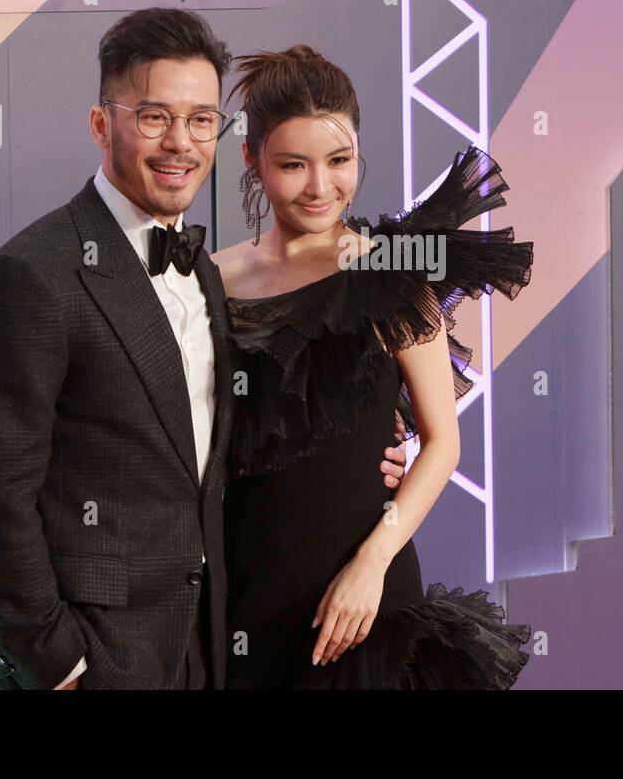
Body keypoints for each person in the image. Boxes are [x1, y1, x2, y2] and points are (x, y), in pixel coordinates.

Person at [0, 9, 407, 690]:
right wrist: (55, 663)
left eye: (199, 120)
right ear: (102, 125)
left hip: (217, 643)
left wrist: (367, 440)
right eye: (154, 117)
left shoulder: (208, 274)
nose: (180, 143)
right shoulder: (28, 277)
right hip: (100, 658)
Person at [211, 45, 534, 688]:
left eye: (339, 161)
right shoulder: (212, 282)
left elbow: (442, 444)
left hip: (367, 602)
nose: (320, 186)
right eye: (293, 165)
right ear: (252, 160)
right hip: (245, 598)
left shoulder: (391, 273)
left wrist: (372, 563)